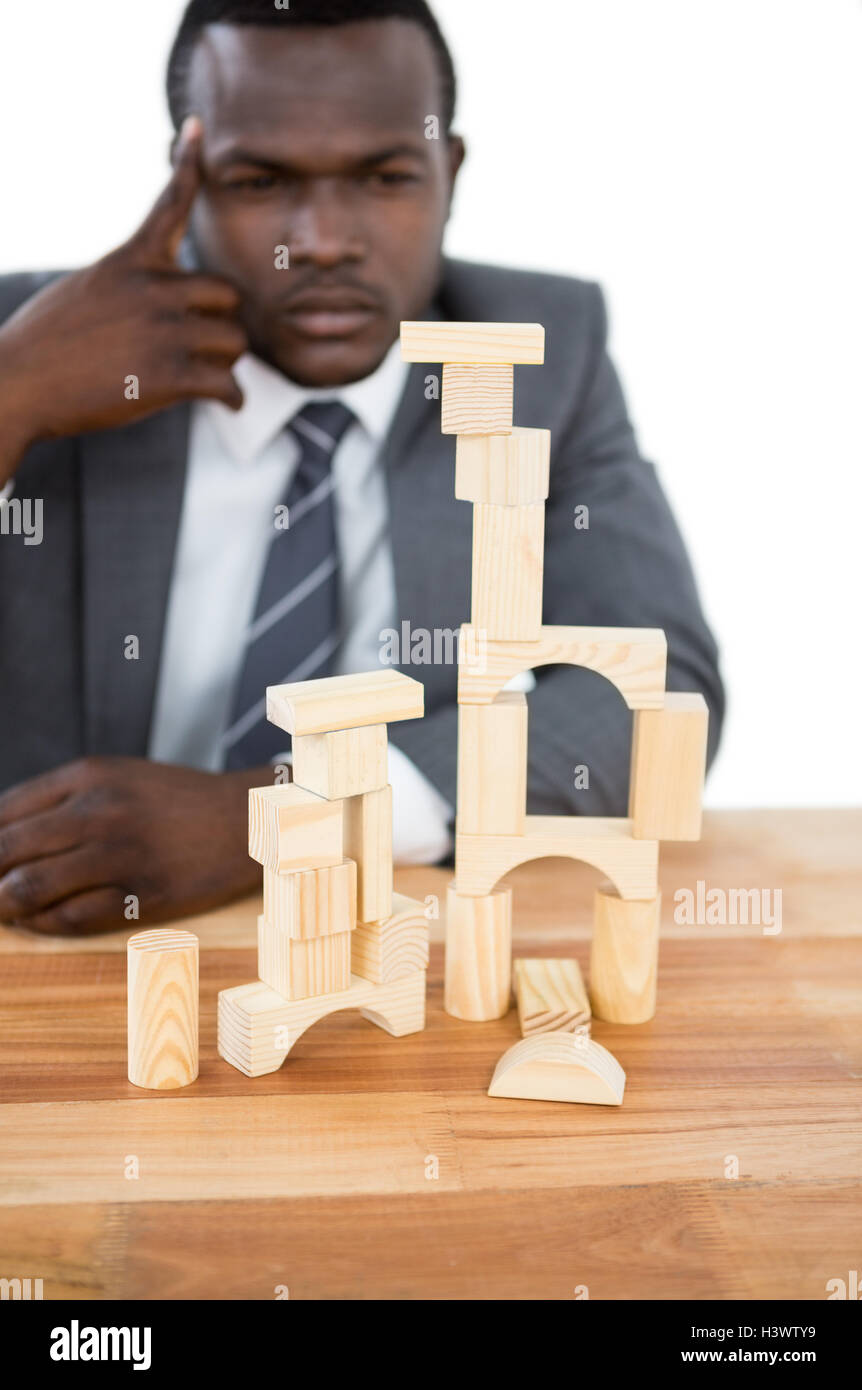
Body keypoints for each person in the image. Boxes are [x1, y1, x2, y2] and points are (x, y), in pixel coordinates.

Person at [0, 0, 724, 935]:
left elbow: (660, 696)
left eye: (385, 176)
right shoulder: (32, 341)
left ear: (449, 174)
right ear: (185, 176)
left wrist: (283, 816)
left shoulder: (539, 351)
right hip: (55, 956)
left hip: (384, 945)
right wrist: (10, 396)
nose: (327, 239)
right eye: (260, 180)